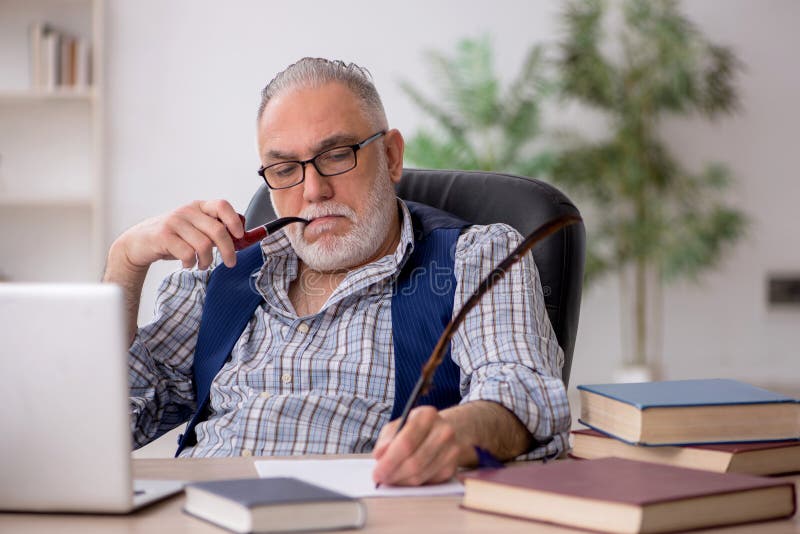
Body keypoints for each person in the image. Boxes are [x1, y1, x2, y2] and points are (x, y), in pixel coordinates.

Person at [103, 58, 570, 487]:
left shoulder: (478, 257)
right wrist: (126, 260)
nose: (314, 190)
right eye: (285, 168)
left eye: (336, 155)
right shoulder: (220, 277)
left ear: (390, 156)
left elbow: (525, 395)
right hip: (199, 516)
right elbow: (102, 424)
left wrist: (455, 432)